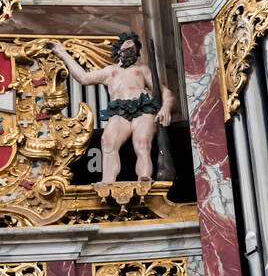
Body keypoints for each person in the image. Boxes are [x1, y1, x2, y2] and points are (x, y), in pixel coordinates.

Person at [48, 32, 175, 183]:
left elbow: (165, 92)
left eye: (134, 45)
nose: (131, 45)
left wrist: (165, 107)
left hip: (142, 109)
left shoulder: (142, 70)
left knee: (142, 142)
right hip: (119, 111)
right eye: (127, 43)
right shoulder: (110, 71)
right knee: (107, 140)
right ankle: (108, 182)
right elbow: (83, 78)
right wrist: (63, 54)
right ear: (118, 48)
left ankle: (144, 179)